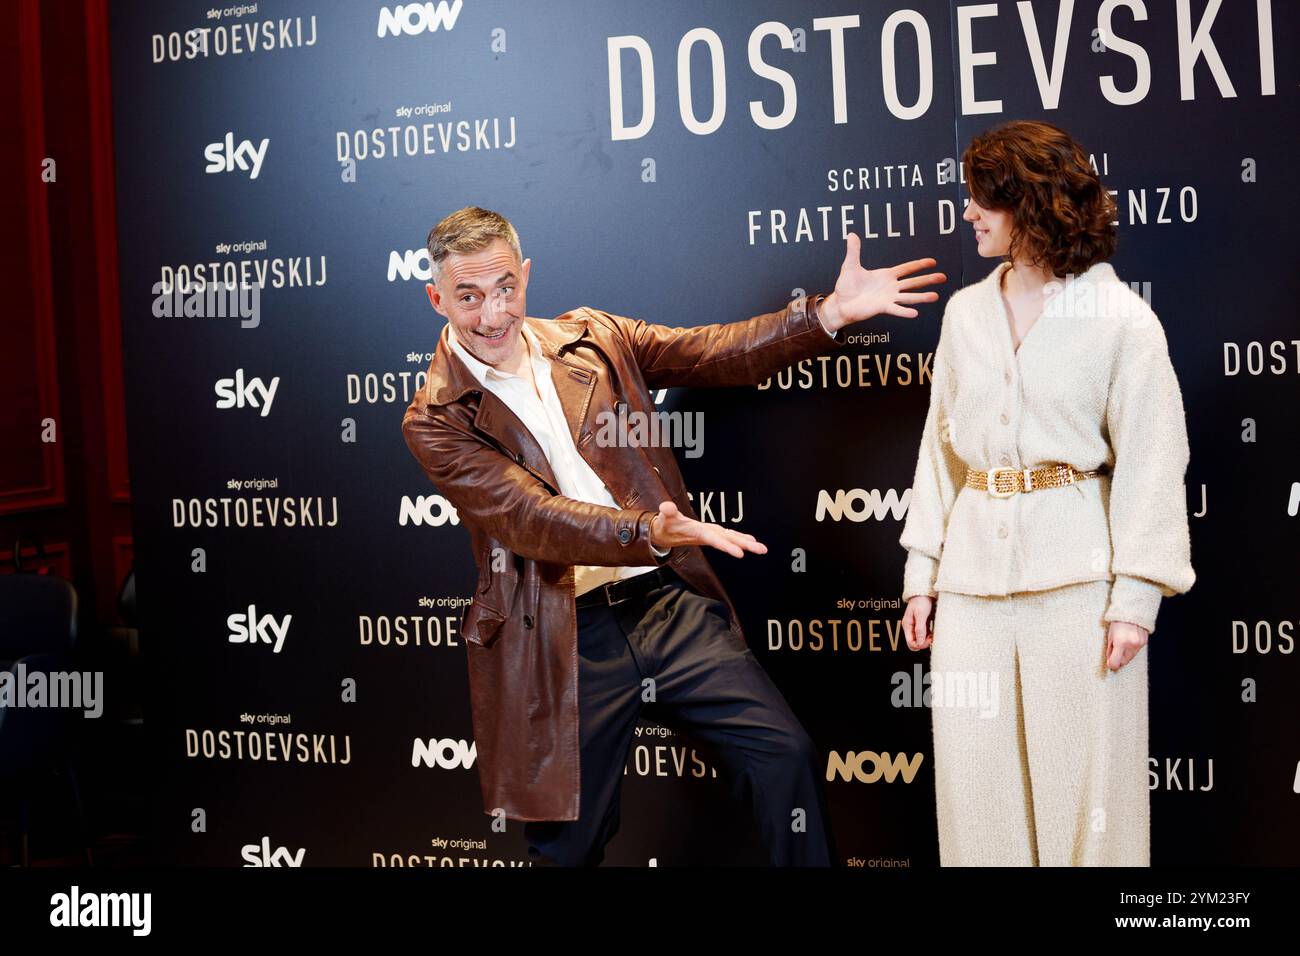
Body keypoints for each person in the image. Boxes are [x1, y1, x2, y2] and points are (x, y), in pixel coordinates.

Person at [402, 205, 945, 865]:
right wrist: (645, 530)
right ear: (437, 299)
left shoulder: (593, 337)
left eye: (505, 288)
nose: (493, 313)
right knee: (568, 846)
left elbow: (710, 353)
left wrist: (825, 315)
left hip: (664, 602)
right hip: (558, 633)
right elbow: (529, 518)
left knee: (784, 757)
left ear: (525, 276)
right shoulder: (434, 417)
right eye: (469, 297)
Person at [898, 120, 1195, 866]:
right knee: (976, 793)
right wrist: (920, 579)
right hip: (970, 590)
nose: (967, 212)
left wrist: (1136, 600)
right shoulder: (965, 313)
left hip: (1080, 591)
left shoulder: (1123, 320)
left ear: (1028, 202)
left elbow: (1154, 461)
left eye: (981, 199)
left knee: (1087, 795)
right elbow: (940, 453)